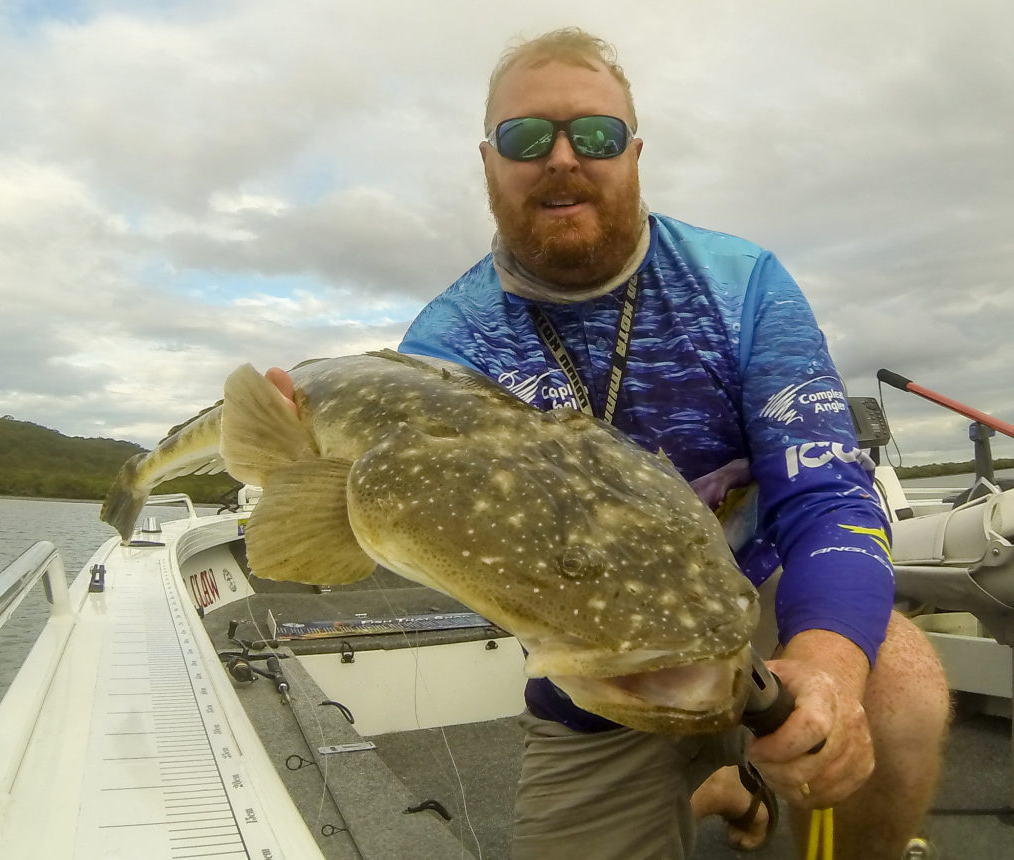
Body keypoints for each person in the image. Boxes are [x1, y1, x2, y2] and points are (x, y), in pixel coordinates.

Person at [389, 27, 950, 860]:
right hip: (590, 656)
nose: (563, 158)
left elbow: (827, 491)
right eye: (527, 137)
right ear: (488, 161)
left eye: (597, 134)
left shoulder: (743, 282)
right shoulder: (445, 347)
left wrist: (829, 668)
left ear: (635, 151)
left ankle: (751, 785)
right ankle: (728, 782)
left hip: (754, 593)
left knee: (901, 693)